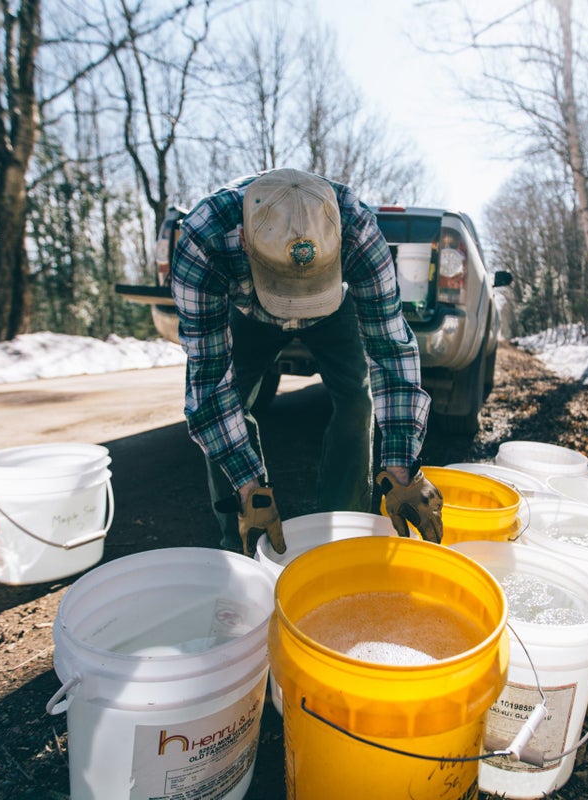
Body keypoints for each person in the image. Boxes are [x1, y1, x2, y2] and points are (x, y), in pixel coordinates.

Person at [170, 168, 444, 555]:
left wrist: (402, 468)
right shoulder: (204, 239)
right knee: (229, 405)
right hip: (249, 312)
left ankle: (345, 534)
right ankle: (242, 542)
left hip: (334, 310)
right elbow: (210, 384)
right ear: (245, 241)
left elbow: (390, 349)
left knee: (357, 399)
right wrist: (248, 486)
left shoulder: (359, 231)